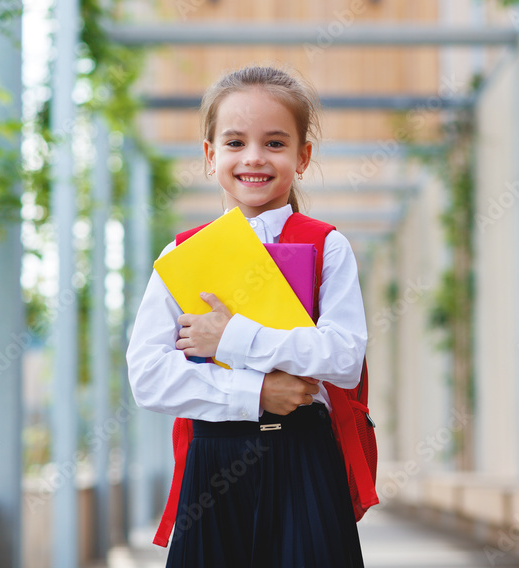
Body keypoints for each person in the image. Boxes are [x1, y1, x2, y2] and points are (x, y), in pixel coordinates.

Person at [126, 65, 367, 567]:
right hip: (213, 463)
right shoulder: (183, 255)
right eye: (235, 143)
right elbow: (147, 376)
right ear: (211, 155)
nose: (254, 158)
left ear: (302, 158)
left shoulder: (328, 245)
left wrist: (233, 338)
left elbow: (343, 357)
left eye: (275, 143)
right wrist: (256, 392)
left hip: (304, 458)